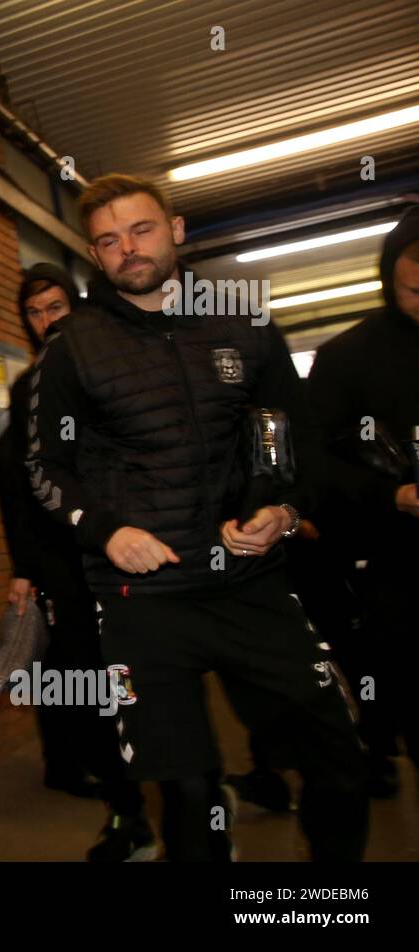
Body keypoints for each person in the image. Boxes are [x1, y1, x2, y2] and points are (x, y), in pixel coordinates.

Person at [25, 173, 367, 861]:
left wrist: (282, 509)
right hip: (142, 600)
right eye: (109, 240)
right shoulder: (71, 346)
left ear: (176, 230)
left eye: (142, 229)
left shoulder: (244, 321)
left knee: (338, 759)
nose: (129, 249)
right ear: (94, 255)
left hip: (250, 583)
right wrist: (107, 531)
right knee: (185, 791)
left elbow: (293, 436)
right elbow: (43, 468)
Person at [0, 263, 157, 861]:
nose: (45, 321)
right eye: (34, 312)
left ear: (77, 306)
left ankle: (193, 801)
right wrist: (26, 568)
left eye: (55, 307)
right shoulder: (26, 390)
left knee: (151, 684)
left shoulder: (110, 365)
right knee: (89, 692)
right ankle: (127, 815)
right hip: (68, 566)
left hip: (133, 553)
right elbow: (21, 487)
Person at [308, 203, 419, 795]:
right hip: (393, 567)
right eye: (415, 291)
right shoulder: (347, 360)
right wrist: (391, 495)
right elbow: (315, 466)